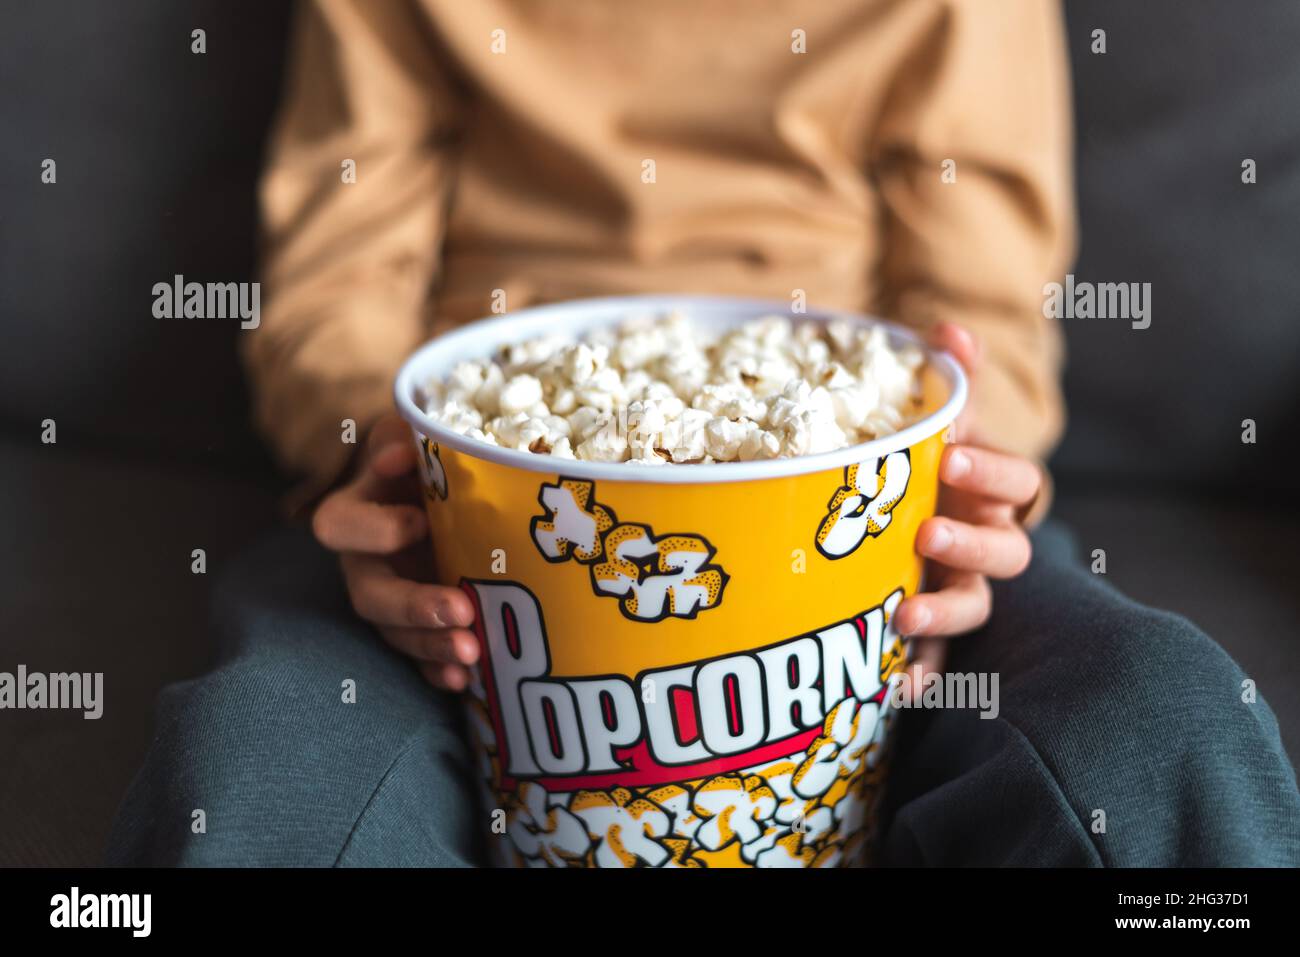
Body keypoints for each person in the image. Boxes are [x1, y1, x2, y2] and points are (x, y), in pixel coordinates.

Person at [106, 0, 1299, 866]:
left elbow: (984, 304)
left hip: (866, 504)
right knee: (252, 767)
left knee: (1169, 721)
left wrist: (969, 492)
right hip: (465, 525)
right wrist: (372, 455)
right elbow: (335, 275)